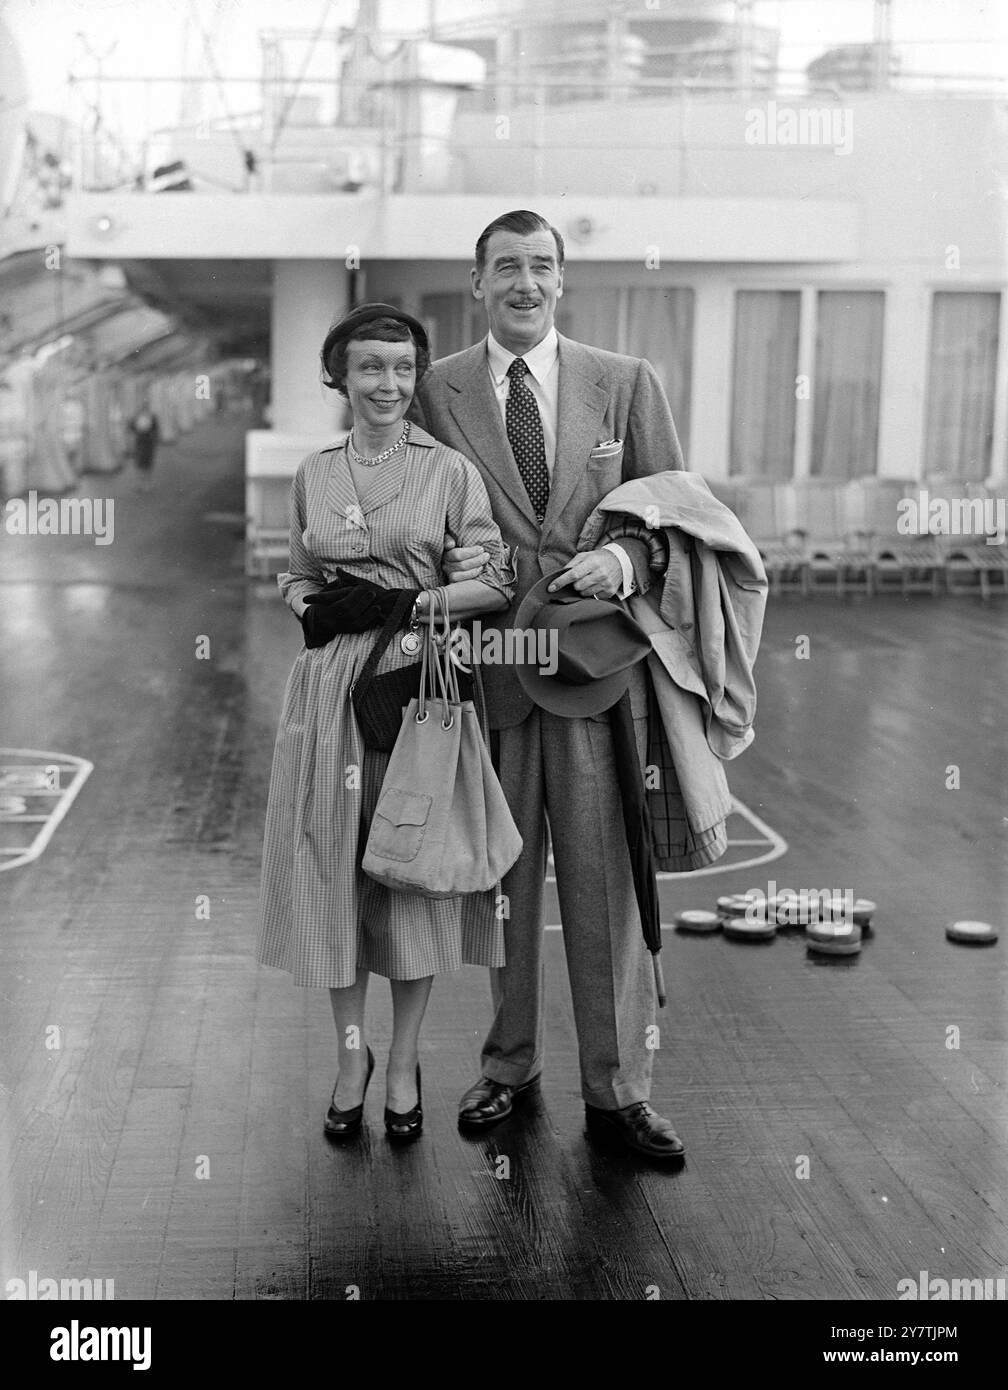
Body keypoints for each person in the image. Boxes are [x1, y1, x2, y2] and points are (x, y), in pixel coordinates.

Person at [412, 209, 688, 1160]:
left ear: (562, 280)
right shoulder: (437, 390)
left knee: (605, 878)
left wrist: (620, 560)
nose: (524, 283)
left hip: (597, 667)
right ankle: (509, 1065)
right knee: (504, 881)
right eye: (506, 268)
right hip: (490, 668)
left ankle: (618, 1091)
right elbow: (421, 514)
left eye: (541, 266)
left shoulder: (625, 383)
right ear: (478, 283)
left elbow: (671, 517)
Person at [257, 303, 515, 1143]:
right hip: (329, 690)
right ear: (339, 376)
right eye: (370, 367)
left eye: (403, 369)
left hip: (415, 681)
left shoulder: (448, 472)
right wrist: (312, 606)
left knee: (409, 870)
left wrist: (408, 600)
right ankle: (351, 1055)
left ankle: (403, 1061)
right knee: (332, 868)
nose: (389, 384)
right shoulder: (315, 472)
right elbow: (295, 572)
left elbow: (494, 583)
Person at [129, 404, 159, 490]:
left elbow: (155, 429)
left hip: (148, 443)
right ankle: (140, 483)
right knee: (140, 463)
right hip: (140, 443)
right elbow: (132, 427)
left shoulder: (152, 418)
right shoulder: (137, 417)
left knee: (146, 463)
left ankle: (146, 483)